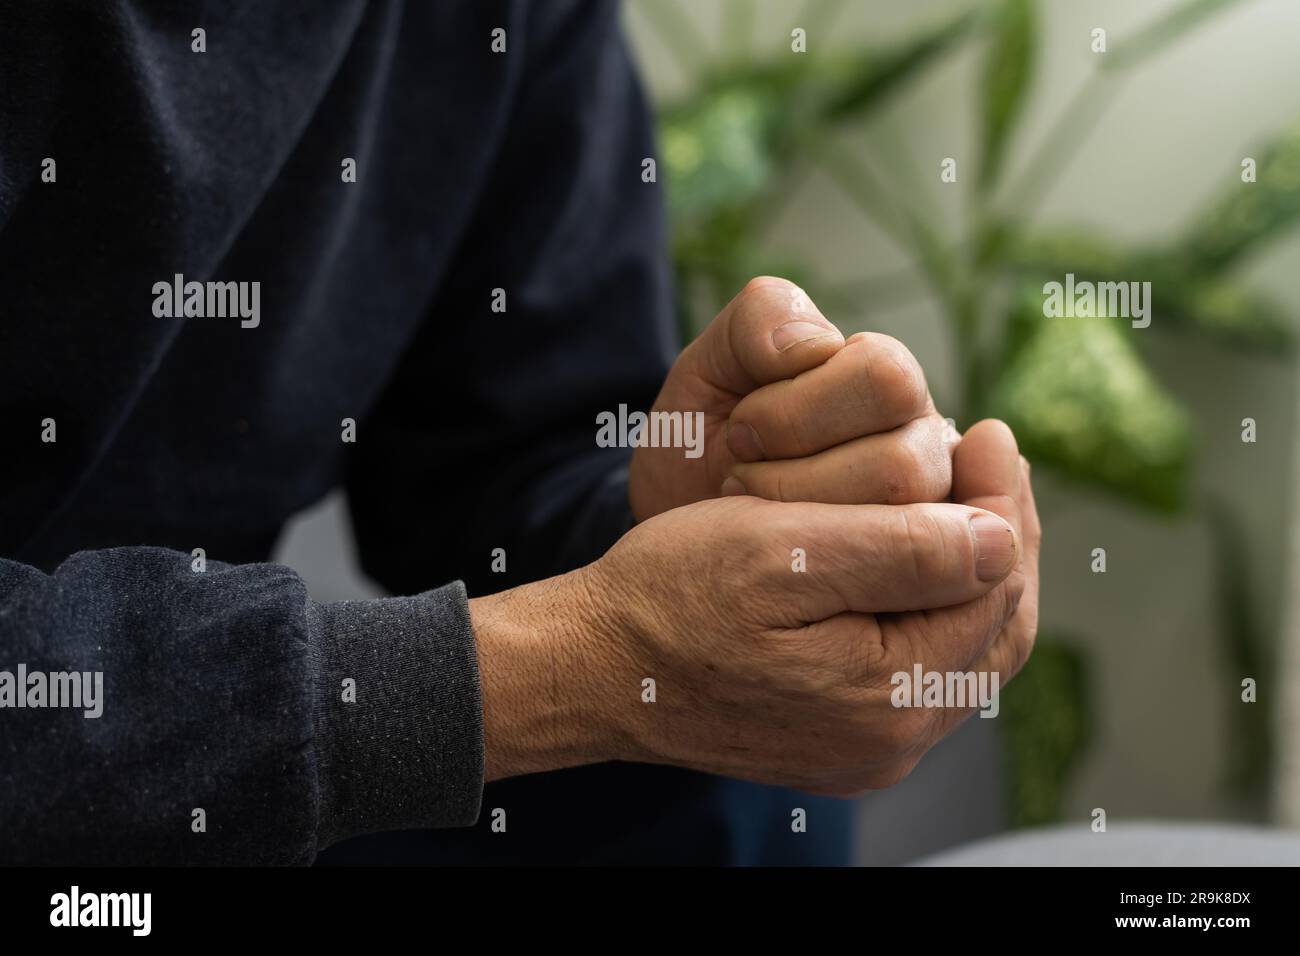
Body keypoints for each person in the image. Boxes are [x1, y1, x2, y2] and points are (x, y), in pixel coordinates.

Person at [0, 0, 1039, 865]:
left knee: (730, 784)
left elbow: (502, 453)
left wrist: (694, 519)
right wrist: (576, 663)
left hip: (199, 757)